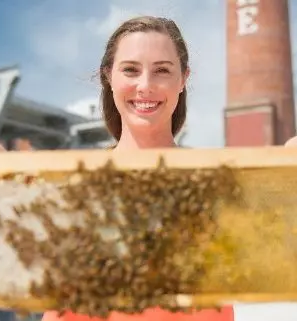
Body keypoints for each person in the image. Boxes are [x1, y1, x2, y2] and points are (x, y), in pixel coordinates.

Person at [42, 15, 234, 321]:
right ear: (108, 76)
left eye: (162, 71)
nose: (145, 86)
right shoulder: (78, 188)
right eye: (131, 69)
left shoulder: (217, 182)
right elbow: (61, 304)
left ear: (183, 78)